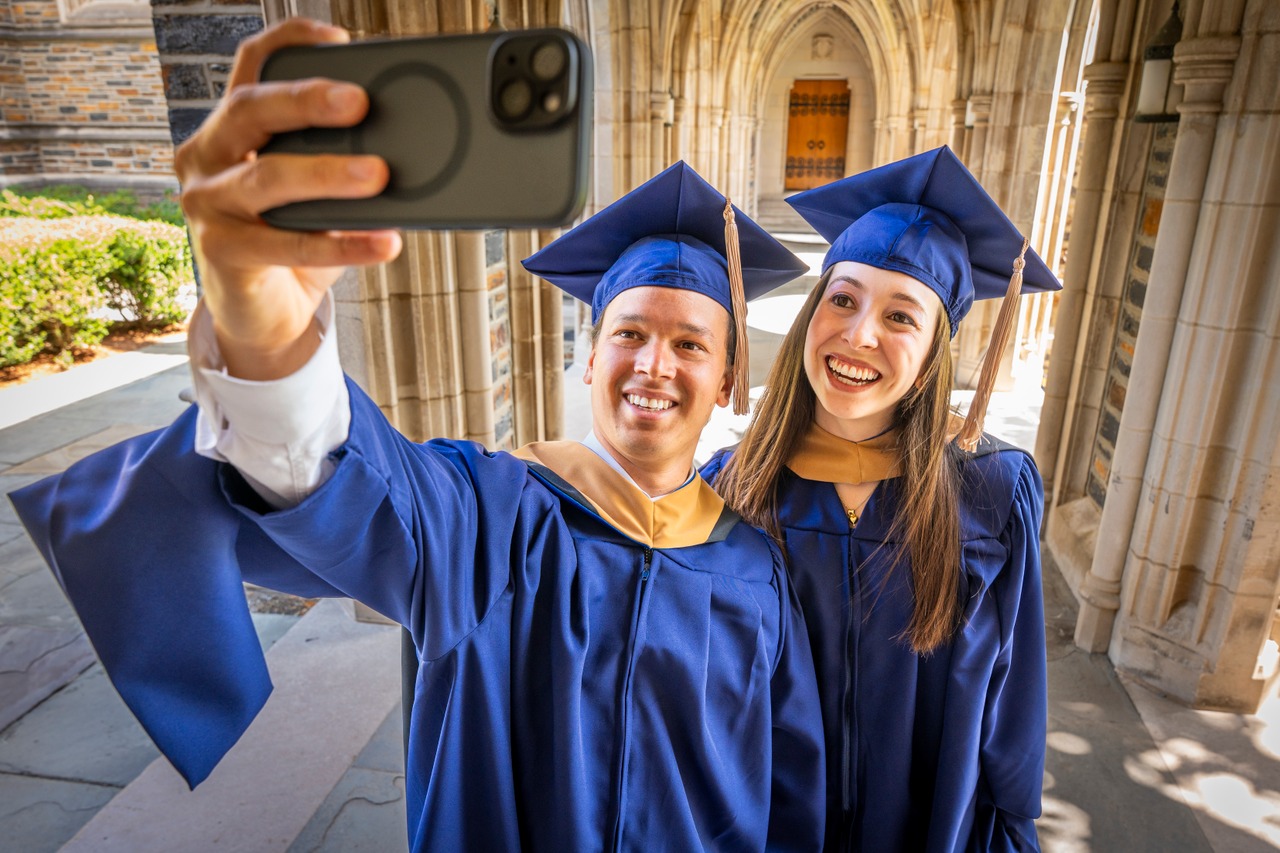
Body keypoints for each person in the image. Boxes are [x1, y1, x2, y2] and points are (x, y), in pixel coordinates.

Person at [9, 19, 826, 852]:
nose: (655, 363)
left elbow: (787, 783)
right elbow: (359, 484)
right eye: (629, 333)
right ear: (587, 356)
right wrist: (266, 327)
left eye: (691, 343)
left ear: (729, 378)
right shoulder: (494, 517)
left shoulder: (756, 573)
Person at [704, 146, 1060, 852]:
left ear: (935, 354)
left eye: (902, 316)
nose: (859, 333)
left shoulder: (989, 499)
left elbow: (1013, 706)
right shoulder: (731, 488)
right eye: (843, 299)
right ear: (811, 314)